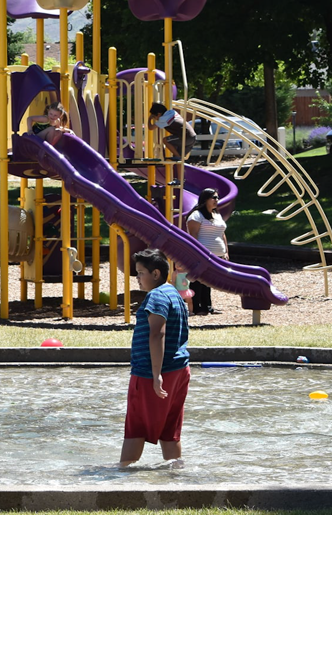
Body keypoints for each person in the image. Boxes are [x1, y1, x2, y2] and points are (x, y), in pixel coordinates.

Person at [120, 250, 190, 469]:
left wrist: (156, 374)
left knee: (136, 426)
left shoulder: (157, 296)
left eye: (141, 273)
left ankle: (121, 476)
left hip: (151, 372)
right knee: (170, 430)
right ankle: (175, 473)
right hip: (178, 369)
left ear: (156, 274)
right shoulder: (174, 294)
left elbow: (157, 334)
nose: (138, 278)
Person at [182, 187, 225, 315]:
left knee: (208, 281)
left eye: (217, 197)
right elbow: (193, 235)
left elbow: (222, 234)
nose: (217, 200)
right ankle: (196, 307)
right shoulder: (196, 215)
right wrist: (197, 253)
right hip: (202, 254)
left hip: (216, 254)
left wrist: (225, 251)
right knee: (198, 281)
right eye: (214, 198)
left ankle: (207, 306)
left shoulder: (216, 214)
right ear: (205, 199)